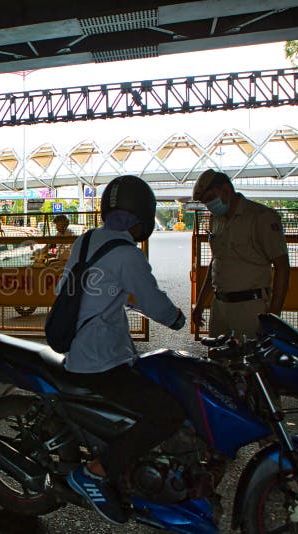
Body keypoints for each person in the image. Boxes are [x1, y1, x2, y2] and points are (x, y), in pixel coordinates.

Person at [57, 175, 187, 525]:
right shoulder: (128, 254)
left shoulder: (85, 241)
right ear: (142, 214)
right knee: (167, 414)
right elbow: (153, 303)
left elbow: (69, 288)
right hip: (102, 361)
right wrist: (177, 320)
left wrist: (111, 302)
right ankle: (97, 471)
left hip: (79, 351)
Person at [190, 169, 290, 340]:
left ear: (226, 190)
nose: (209, 206)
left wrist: (273, 319)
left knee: (248, 363)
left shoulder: (261, 217)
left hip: (250, 309)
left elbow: (282, 268)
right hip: (220, 306)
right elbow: (216, 262)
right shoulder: (216, 219)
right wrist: (200, 304)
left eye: (210, 199)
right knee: (217, 363)